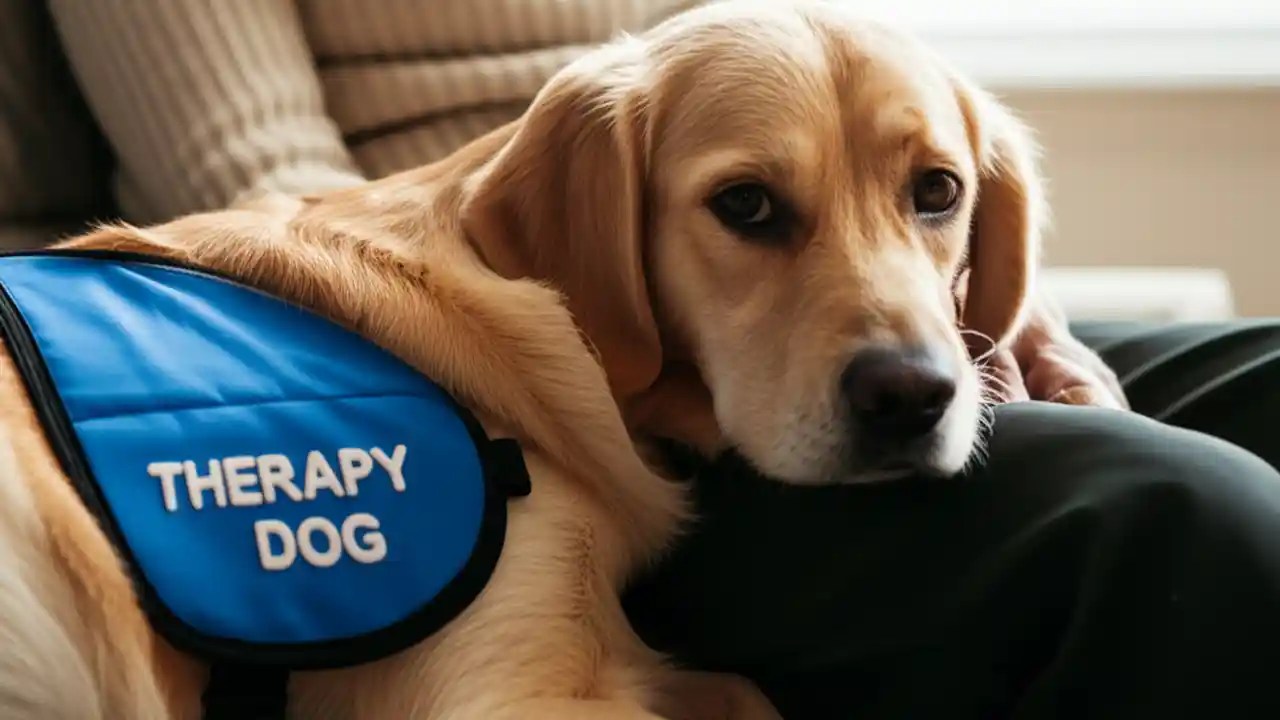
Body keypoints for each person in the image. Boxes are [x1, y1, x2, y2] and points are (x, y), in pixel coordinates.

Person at [3, 2, 1276, 717]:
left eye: (946, 193)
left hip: (761, 277)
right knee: (1196, 517)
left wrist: (978, 295)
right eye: (747, 205)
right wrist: (578, 263)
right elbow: (253, 182)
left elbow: (813, 78)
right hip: (533, 329)